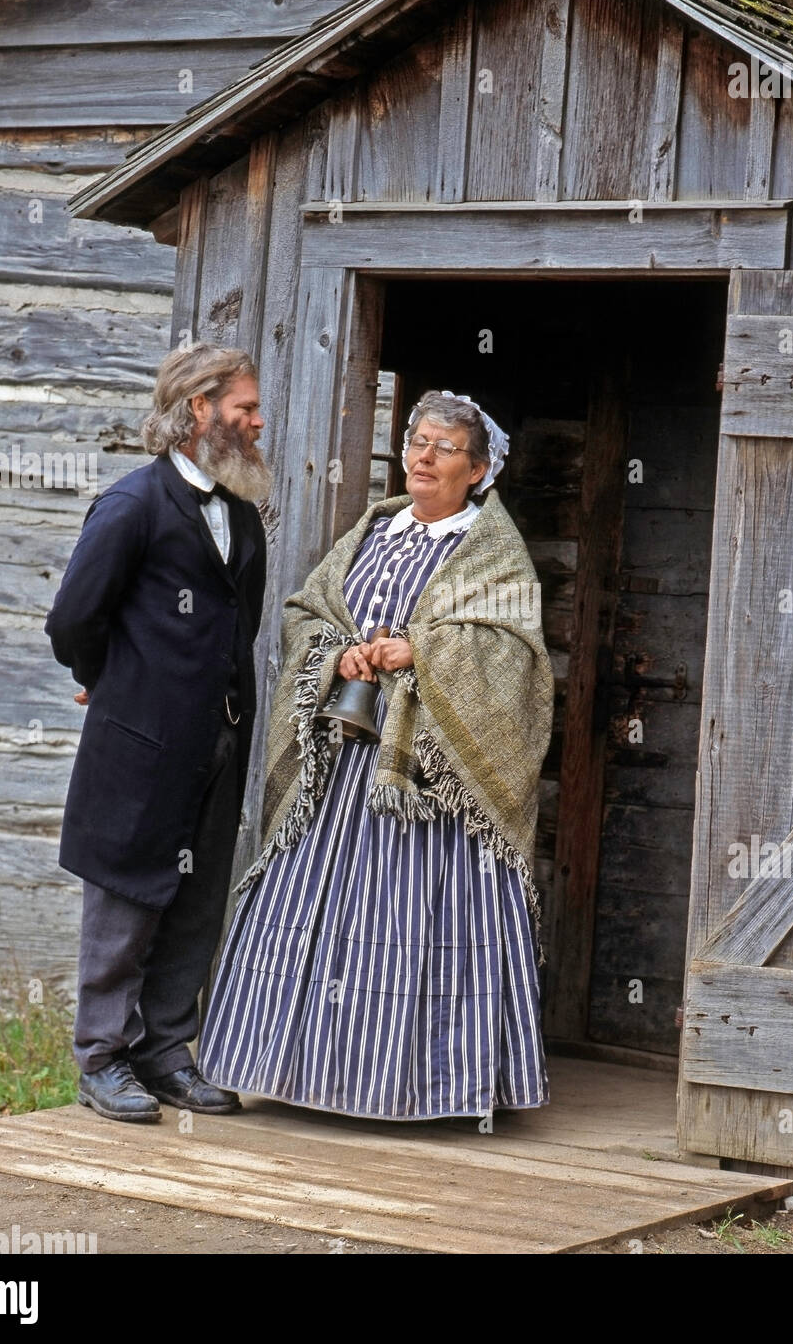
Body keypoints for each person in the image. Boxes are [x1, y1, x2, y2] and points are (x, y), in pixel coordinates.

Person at [198, 389, 554, 1121]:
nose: (421, 457)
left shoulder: (491, 553)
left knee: (420, 920)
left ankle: (427, 1088)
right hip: (345, 759)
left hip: (430, 776)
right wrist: (342, 656)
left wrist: (420, 651)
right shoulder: (375, 529)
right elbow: (309, 612)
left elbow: (511, 655)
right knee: (306, 903)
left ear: (478, 471)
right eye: (416, 441)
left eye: (443, 448)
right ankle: (288, 1070)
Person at [45, 343, 269, 1123]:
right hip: (138, 745)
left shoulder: (241, 515)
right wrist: (111, 685)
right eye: (243, 408)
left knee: (196, 897)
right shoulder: (132, 504)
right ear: (199, 409)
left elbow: (238, 627)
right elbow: (74, 617)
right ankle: (101, 1058)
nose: (256, 420)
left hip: (217, 743)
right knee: (127, 894)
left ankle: (166, 1054)